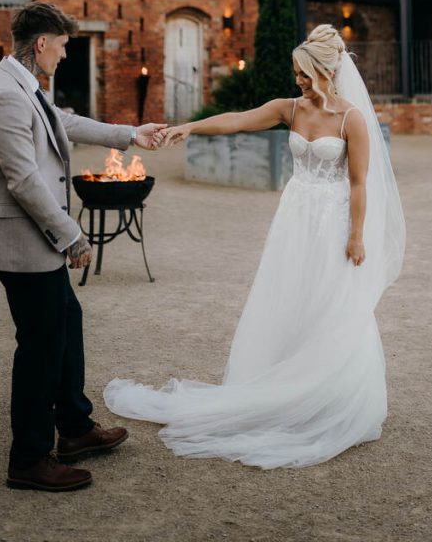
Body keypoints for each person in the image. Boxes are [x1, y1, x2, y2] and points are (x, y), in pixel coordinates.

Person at [104, 24, 405, 469]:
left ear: (325, 70)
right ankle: (279, 383)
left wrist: (357, 235)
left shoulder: (351, 119)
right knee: (289, 298)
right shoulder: (290, 109)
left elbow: (359, 183)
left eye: (304, 73)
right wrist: (190, 127)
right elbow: (237, 119)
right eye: (296, 72)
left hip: (333, 221)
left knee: (332, 304)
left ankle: (327, 395)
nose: (298, 80)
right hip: (296, 219)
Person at [0, 1, 167, 492]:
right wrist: (73, 235)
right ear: (41, 43)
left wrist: (131, 135)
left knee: (65, 321)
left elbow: (66, 125)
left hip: (33, 238)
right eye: (61, 47)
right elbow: (23, 181)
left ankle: (75, 428)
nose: (63, 56)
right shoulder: (4, 97)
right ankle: (29, 459)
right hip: (20, 239)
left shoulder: (23, 86)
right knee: (39, 344)